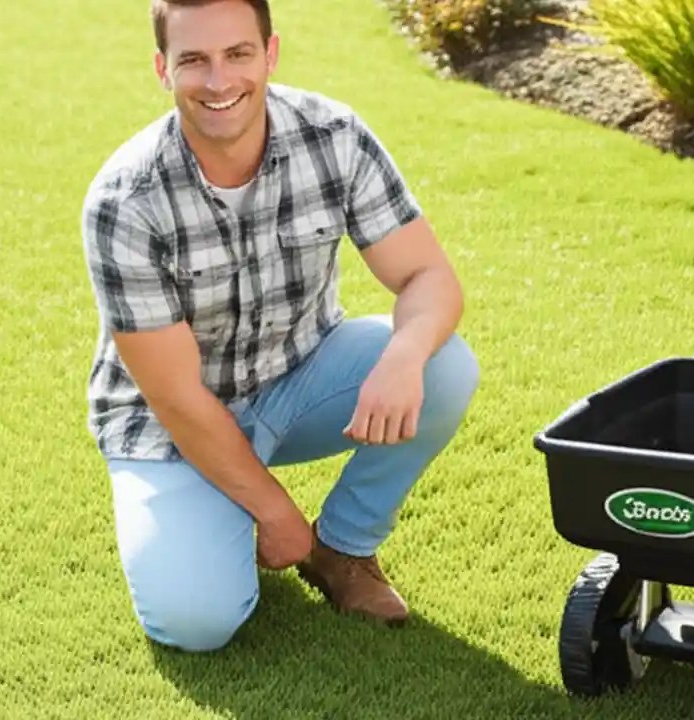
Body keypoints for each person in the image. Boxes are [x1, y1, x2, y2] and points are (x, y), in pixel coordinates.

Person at [80, 0, 480, 653]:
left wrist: (404, 357)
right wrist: (274, 511)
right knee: (197, 623)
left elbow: (428, 277)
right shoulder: (126, 200)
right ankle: (222, 512)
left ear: (270, 54)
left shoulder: (335, 136)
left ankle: (342, 550)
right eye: (194, 61)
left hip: (297, 381)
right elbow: (177, 398)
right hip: (168, 428)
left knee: (445, 364)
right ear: (162, 69)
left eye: (238, 54)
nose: (218, 81)